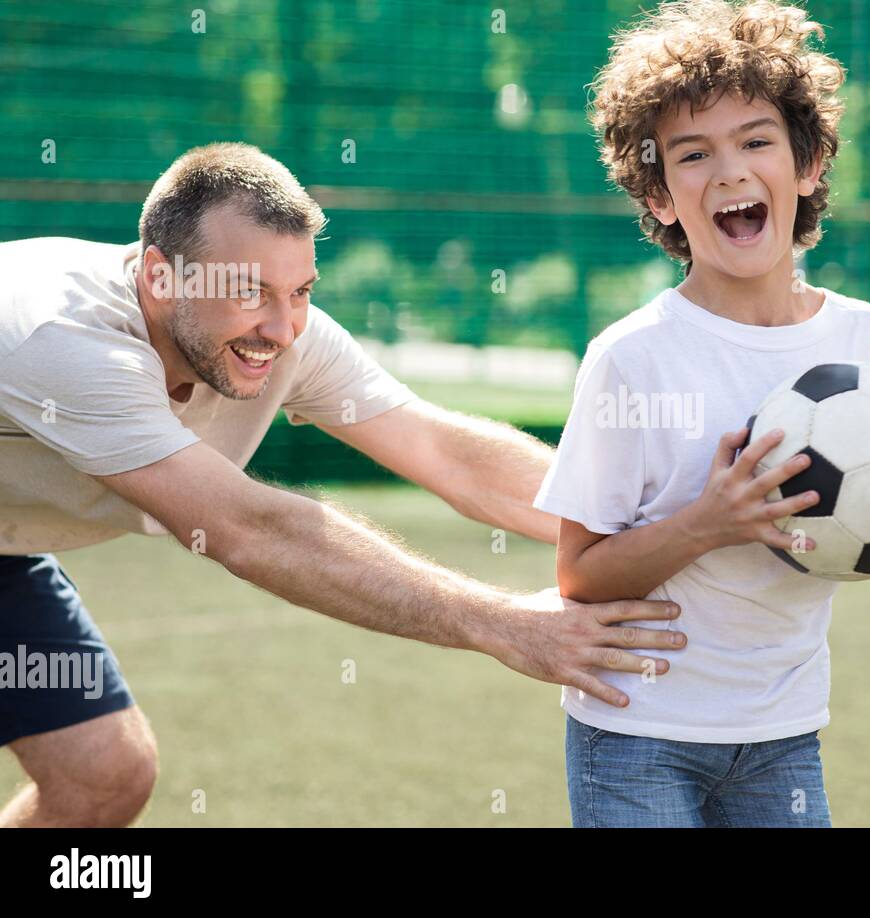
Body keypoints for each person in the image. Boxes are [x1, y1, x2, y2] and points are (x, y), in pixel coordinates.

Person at [0, 142, 685, 828]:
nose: (280, 328)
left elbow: (443, 451)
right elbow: (247, 529)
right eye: (248, 292)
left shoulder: (284, 337)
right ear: (159, 276)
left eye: (299, 292)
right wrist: (500, 622)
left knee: (104, 777)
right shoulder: (67, 340)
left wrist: (664, 523)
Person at [533, 0, 870, 828]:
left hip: (784, 733)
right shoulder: (633, 359)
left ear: (807, 166)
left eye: (756, 141)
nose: (729, 171)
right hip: (638, 732)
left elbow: (852, 547)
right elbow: (580, 574)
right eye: (693, 155)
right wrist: (711, 521)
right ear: (661, 196)